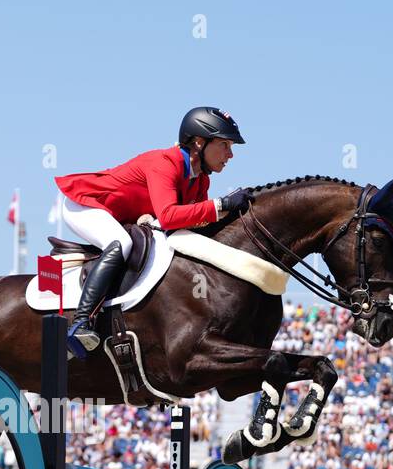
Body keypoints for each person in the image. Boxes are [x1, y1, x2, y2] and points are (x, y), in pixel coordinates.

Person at [54, 107, 251, 357]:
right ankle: (81, 322)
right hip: (86, 202)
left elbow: (193, 224)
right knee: (121, 243)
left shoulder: (201, 180)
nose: (230, 154)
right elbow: (169, 217)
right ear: (199, 142)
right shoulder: (164, 163)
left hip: (120, 214)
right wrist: (220, 205)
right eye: (224, 145)